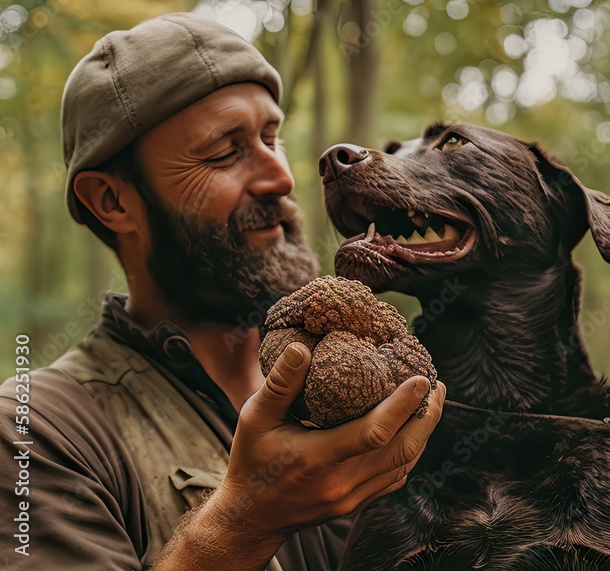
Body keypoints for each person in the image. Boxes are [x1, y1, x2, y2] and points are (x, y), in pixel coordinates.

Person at [0, 12, 445, 570]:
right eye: (224, 152)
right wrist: (241, 524)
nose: (281, 176)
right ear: (112, 201)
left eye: (271, 138)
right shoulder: (36, 432)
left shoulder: (380, 378)